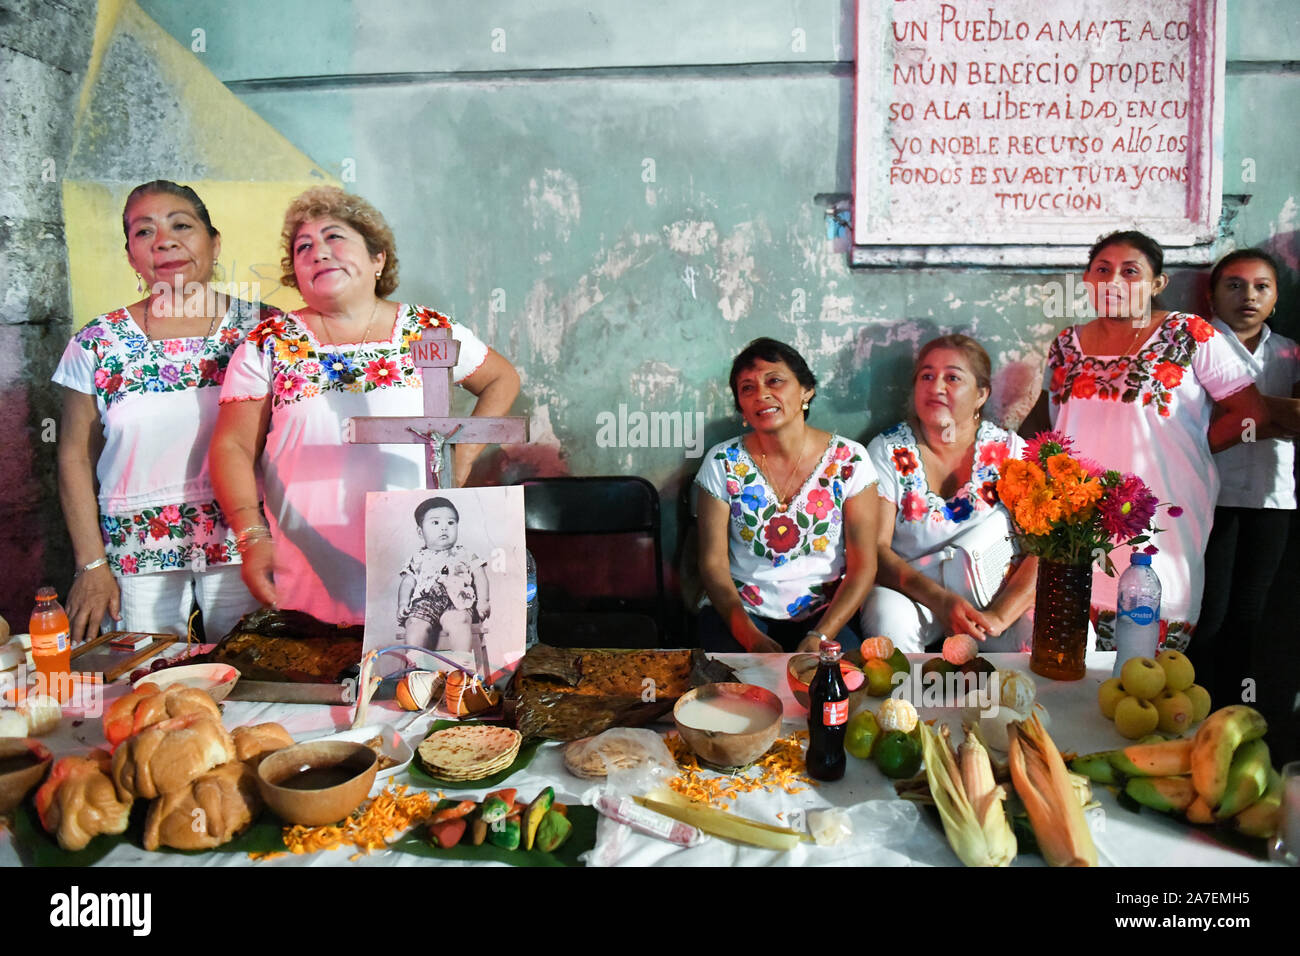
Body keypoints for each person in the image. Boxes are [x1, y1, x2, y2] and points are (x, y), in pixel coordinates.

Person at [210, 187, 520, 625]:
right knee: (322, 679)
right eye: (304, 247)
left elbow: (501, 379)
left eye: (334, 237)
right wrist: (251, 536)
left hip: (415, 554)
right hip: (308, 554)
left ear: (378, 258)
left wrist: (460, 457)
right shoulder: (269, 342)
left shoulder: (427, 329)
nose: (318, 252)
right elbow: (232, 448)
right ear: (295, 272)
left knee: (415, 673)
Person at [1021, 230, 1269, 651]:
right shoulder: (1066, 345)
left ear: (1157, 284)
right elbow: (1050, 424)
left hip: (1160, 517)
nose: (1114, 280)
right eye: (1103, 270)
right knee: (1065, 662)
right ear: (1087, 279)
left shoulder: (1188, 334)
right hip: (1078, 523)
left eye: (1130, 271)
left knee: (1143, 670)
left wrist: (1189, 447)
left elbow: (1252, 413)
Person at [54, 181, 274, 642]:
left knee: (254, 678)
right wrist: (91, 563)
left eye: (181, 225)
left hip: (249, 545)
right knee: (143, 688)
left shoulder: (266, 329)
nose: (164, 241)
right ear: (131, 256)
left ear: (214, 243)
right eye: (144, 232)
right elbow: (74, 455)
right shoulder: (97, 341)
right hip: (134, 560)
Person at [695, 338, 877, 653]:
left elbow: (864, 567)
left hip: (825, 614)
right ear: (741, 407)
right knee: (733, 691)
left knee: (832, 690)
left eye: (774, 381)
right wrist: (750, 639)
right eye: (747, 388)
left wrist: (820, 637)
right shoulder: (722, 462)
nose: (761, 394)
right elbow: (712, 564)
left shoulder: (850, 461)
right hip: (741, 613)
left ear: (807, 390)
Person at [861, 334, 1037, 653]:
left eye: (952, 377)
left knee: (1054, 632)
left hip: (993, 598)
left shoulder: (1011, 452)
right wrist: (941, 601)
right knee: (885, 615)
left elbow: (1044, 551)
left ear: (982, 394)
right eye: (926, 376)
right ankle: (908, 701)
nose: (936, 386)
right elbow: (876, 549)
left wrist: (998, 616)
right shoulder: (888, 450)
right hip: (915, 596)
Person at [1190, 249, 1300, 703]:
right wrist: (1272, 415)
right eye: (1234, 285)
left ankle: (1233, 712)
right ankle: (1190, 707)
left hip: (1272, 500)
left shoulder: (1290, 354)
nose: (1247, 296)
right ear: (1213, 295)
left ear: (1275, 298)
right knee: (1206, 612)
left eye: (1261, 287)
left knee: (1250, 614)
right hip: (1209, 496)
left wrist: (1241, 408)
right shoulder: (1194, 345)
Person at [397, 496, 489, 652]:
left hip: (458, 602)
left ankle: (462, 662)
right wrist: (403, 603)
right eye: (435, 523)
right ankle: (415, 660)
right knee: (414, 623)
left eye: (451, 523)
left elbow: (480, 576)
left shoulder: (465, 553)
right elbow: (407, 582)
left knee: (458, 621)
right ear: (420, 532)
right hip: (425, 601)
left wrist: (483, 601)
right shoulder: (417, 557)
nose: (444, 528)